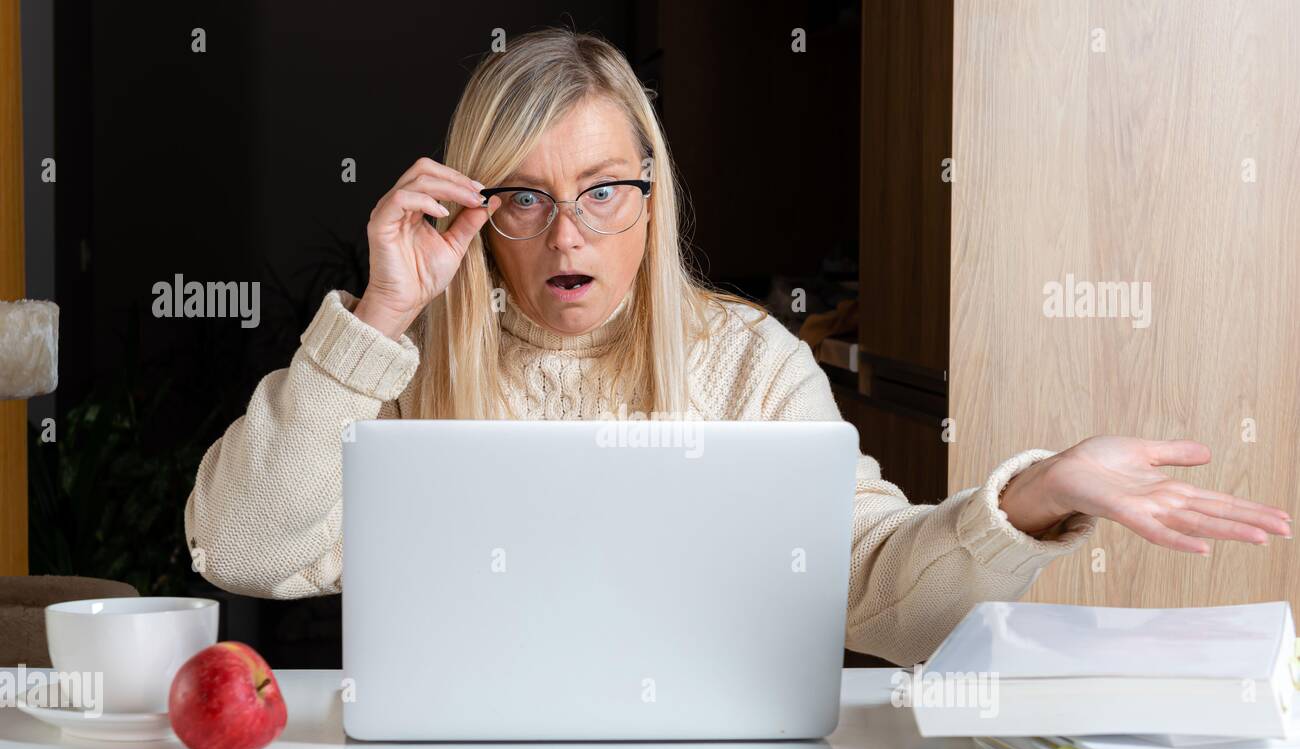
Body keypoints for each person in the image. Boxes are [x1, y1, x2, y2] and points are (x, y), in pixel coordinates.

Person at [184, 28, 1291, 665]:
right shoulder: (395, 367)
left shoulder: (749, 361)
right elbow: (237, 548)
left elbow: (879, 595)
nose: (568, 233)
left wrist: (1035, 495)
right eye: (522, 198)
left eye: (603, 191)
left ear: (653, 201)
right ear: (471, 211)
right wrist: (378, 317)